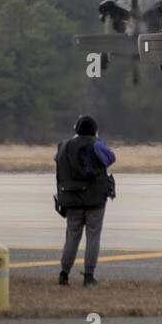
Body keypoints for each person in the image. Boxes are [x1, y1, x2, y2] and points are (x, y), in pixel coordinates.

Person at [54, 114, 116, 286]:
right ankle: (88, 276)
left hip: (70, 199)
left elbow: (57, 160)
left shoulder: (63, 145)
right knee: (93, 236)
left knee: (72, 236)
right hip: (94, 199)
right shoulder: (95, 144)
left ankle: (64, 274)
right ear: (94, 131)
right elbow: (110, 158)